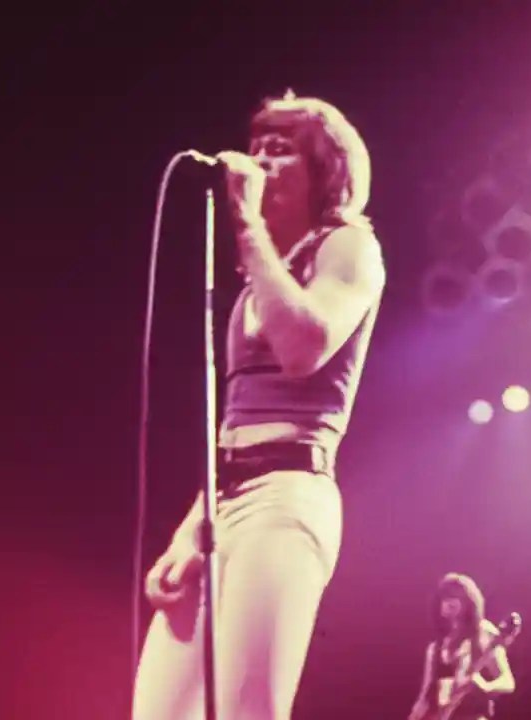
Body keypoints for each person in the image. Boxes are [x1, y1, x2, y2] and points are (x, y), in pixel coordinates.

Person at [132, 91, 385, 720]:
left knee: (250, 707)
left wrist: (245, 224)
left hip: (288, 492)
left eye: (283, 151)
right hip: (227, 502)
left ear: (325, 172)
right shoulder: (254, 290)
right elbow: (232, 422)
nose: (261, 160)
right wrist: (190, 530)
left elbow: (305, 349)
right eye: (258, 147)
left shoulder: (348, 246)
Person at [408, 574, 517, 720]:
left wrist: (485, 687)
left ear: (469, 601)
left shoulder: (483, 634)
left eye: (456, 596)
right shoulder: (436, 649)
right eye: (445, 597)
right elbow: (424, 698)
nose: (449, 601)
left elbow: (508, 681)